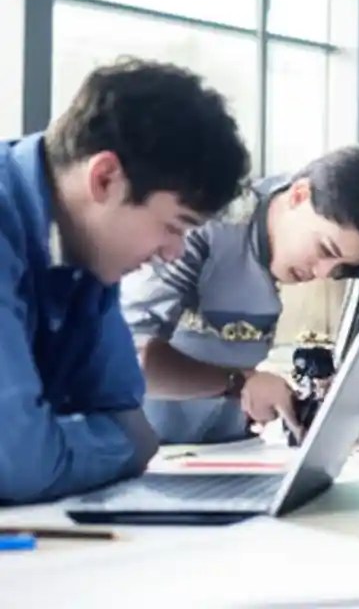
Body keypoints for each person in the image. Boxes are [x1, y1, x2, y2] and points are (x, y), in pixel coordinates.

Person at [0, 58, 249, 503]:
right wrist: (113, 442)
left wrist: (65, 441)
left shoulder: (86, 247)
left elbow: (126, 414)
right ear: (106, 178)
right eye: (174, 227)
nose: (173, 254)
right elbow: (18, 464)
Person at [122, 146, 359, 444]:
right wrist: (240, 383)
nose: (323, 274)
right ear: (299, 195)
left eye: (341, 269)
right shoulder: (206, 222)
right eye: (325, 250)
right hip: (139, 453)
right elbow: (129, 356)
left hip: (220, 451)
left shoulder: (280, 247)